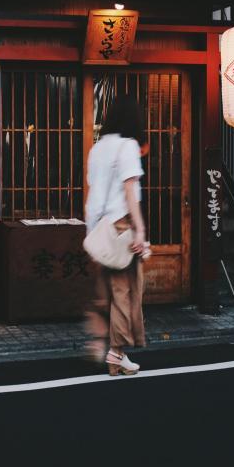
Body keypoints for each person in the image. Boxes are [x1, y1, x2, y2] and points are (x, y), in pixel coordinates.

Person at [84, 94, 149, 376]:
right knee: (125, 292)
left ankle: (106, 348)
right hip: (121, 225)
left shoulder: (96, 149)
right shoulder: (128, 146)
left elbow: (93, 190)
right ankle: (117, 353)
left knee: (105, 293)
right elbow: (129, 191)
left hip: (98, 229)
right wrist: (140, 231)